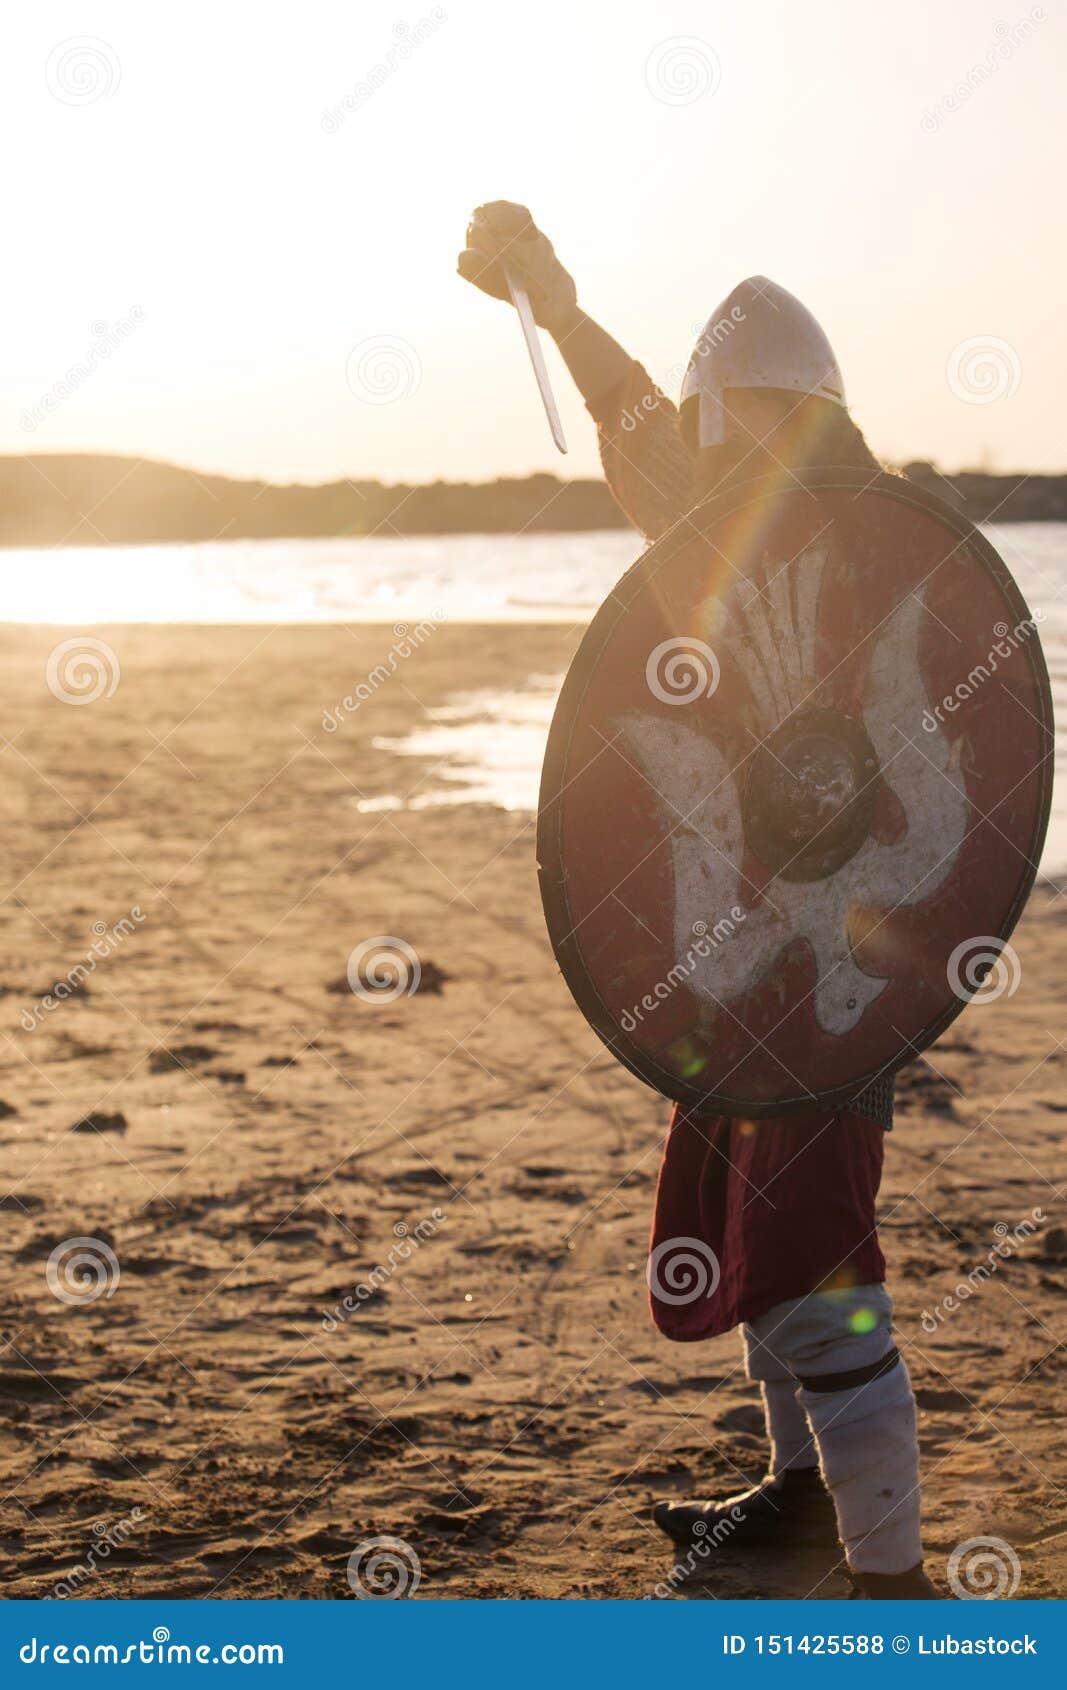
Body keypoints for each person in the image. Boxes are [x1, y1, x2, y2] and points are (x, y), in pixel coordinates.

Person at [458, 202, 939, 1601]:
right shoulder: (793, 523)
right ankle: (798, 1502)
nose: (701, 440)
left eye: (721, 419)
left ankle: (894, 1578)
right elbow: (634, 419)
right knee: (754, 1220)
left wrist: (554, 298)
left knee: (813, 1252)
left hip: (829, 968)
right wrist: (555, 305)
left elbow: (946, 748)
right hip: (765, 954)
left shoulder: (832, 534)